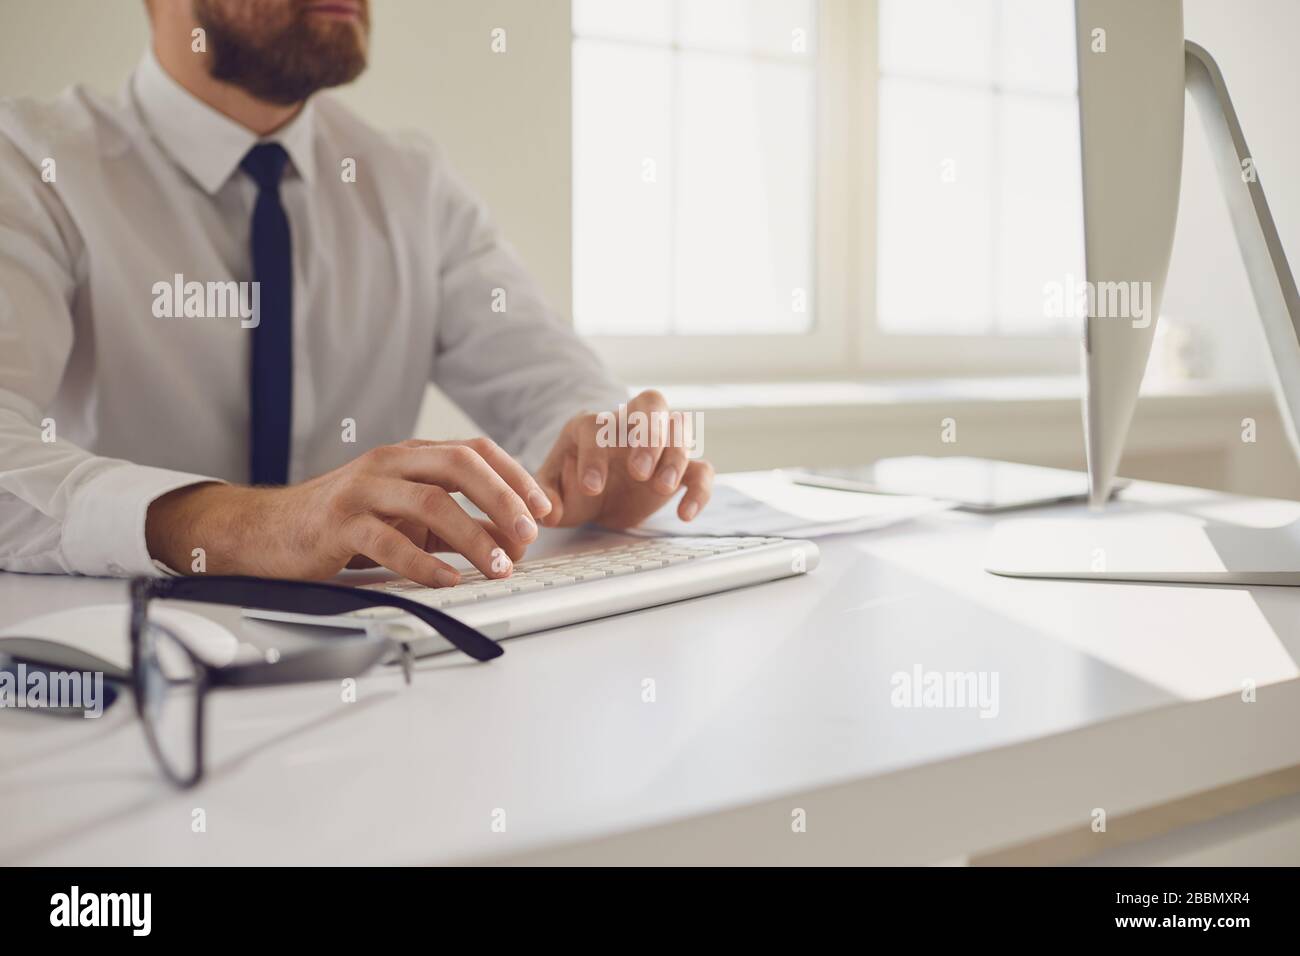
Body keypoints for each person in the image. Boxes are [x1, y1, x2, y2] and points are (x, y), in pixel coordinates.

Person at [0, 0, 713, 587]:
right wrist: (258, 528)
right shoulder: (32, 167)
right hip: (111, 685)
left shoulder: (412, 187)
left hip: (391, 673)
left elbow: (554, 392)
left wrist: (604, 462)